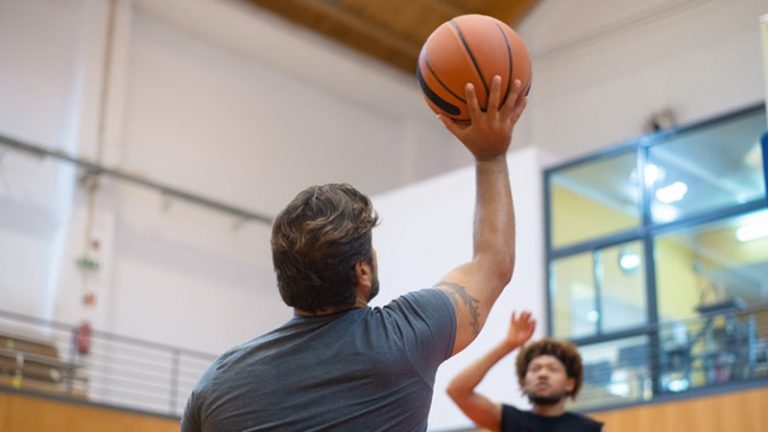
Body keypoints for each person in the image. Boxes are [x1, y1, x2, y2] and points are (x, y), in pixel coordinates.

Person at [180, 76, 528, 432]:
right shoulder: (404, 338)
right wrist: (490, 155)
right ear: (362, 272)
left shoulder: (216, 384)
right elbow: (493, 264)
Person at [447, 311, 605, 432]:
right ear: (524, 382)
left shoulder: (590, 429)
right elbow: (458, 390)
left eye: (553, 369)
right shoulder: (512, 421)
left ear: (570, 383)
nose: (542, 374)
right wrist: (508, 345)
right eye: (535, 369)